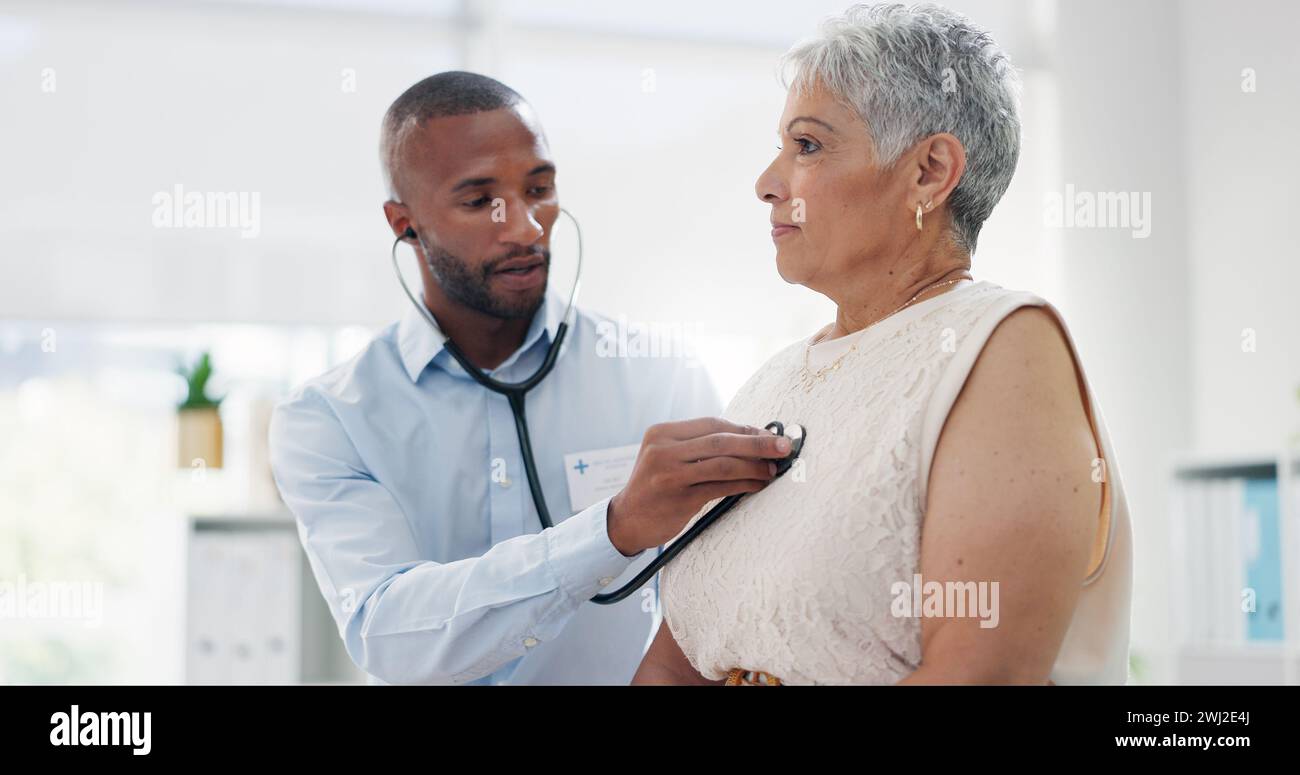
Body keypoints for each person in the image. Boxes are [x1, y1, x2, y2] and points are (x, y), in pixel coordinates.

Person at [635, 3, 1133, 685]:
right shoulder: (771, 383)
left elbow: (979, 675)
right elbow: (673, 662)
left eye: (806, 146)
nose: (767, 183)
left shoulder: (1005, 345)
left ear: (929, 171)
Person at [268, 72, 791, 685]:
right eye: (477, 200)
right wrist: (613, 529)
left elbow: (718, 592)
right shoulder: (327, 418)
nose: (525, 227)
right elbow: (388, 633)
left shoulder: (660, 374)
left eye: (539, 189)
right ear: (403, 222)